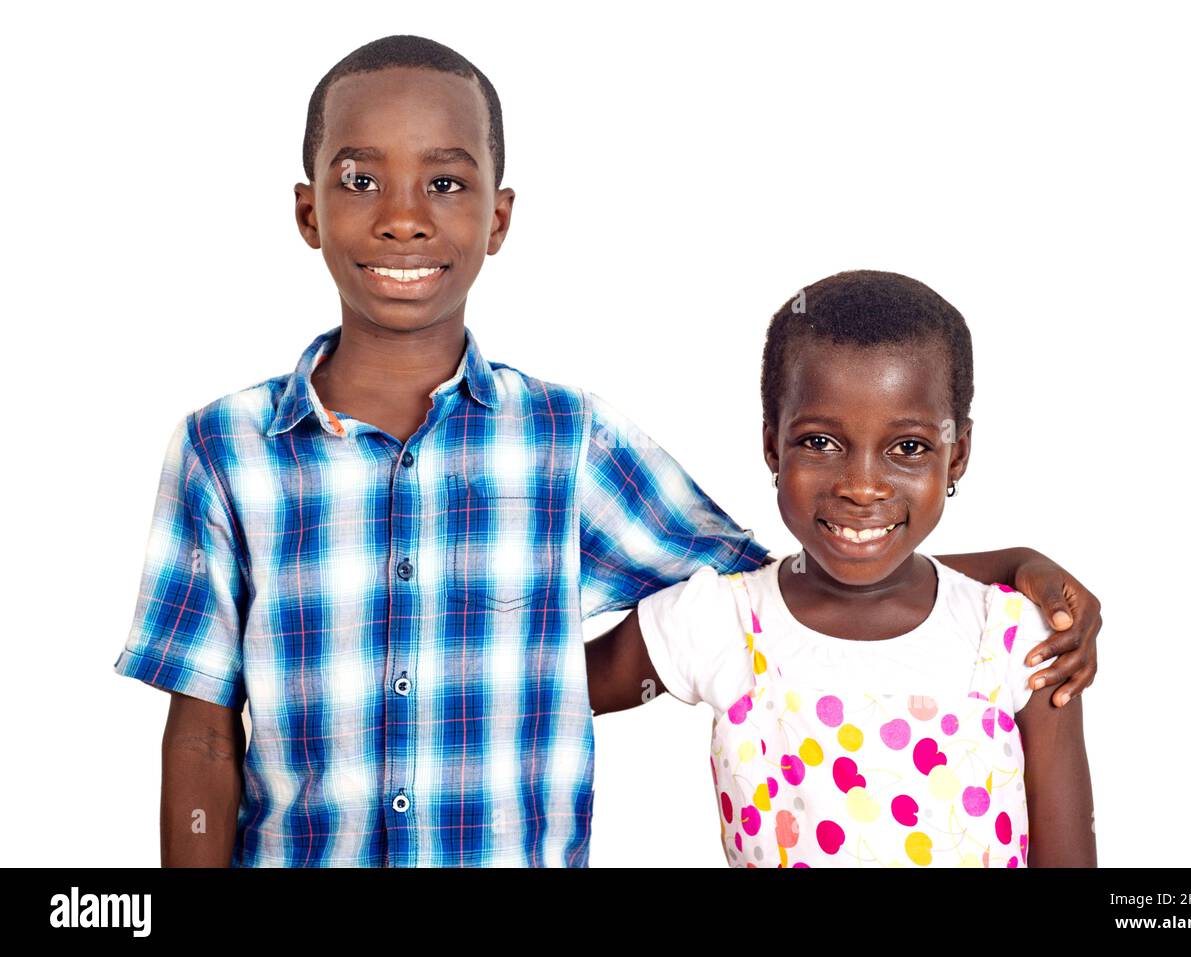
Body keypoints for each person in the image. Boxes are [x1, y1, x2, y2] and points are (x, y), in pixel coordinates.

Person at [114, 34, 1101, 867]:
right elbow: (203, 733)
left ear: (498, 217)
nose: (402, 214)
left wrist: (1005, 575)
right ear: (306, 210)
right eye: (359, 178)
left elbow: (793, 582)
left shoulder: (569, 443)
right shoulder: (223, 451)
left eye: (446, 182)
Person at [586, 271, 1097, 867]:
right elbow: (528, 690)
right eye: (820, 443)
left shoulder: (1019, 638)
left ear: (956, 454)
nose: (860, 486)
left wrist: (1018, 564)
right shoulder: (719, 622)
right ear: (772, 446)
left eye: (908, 447)